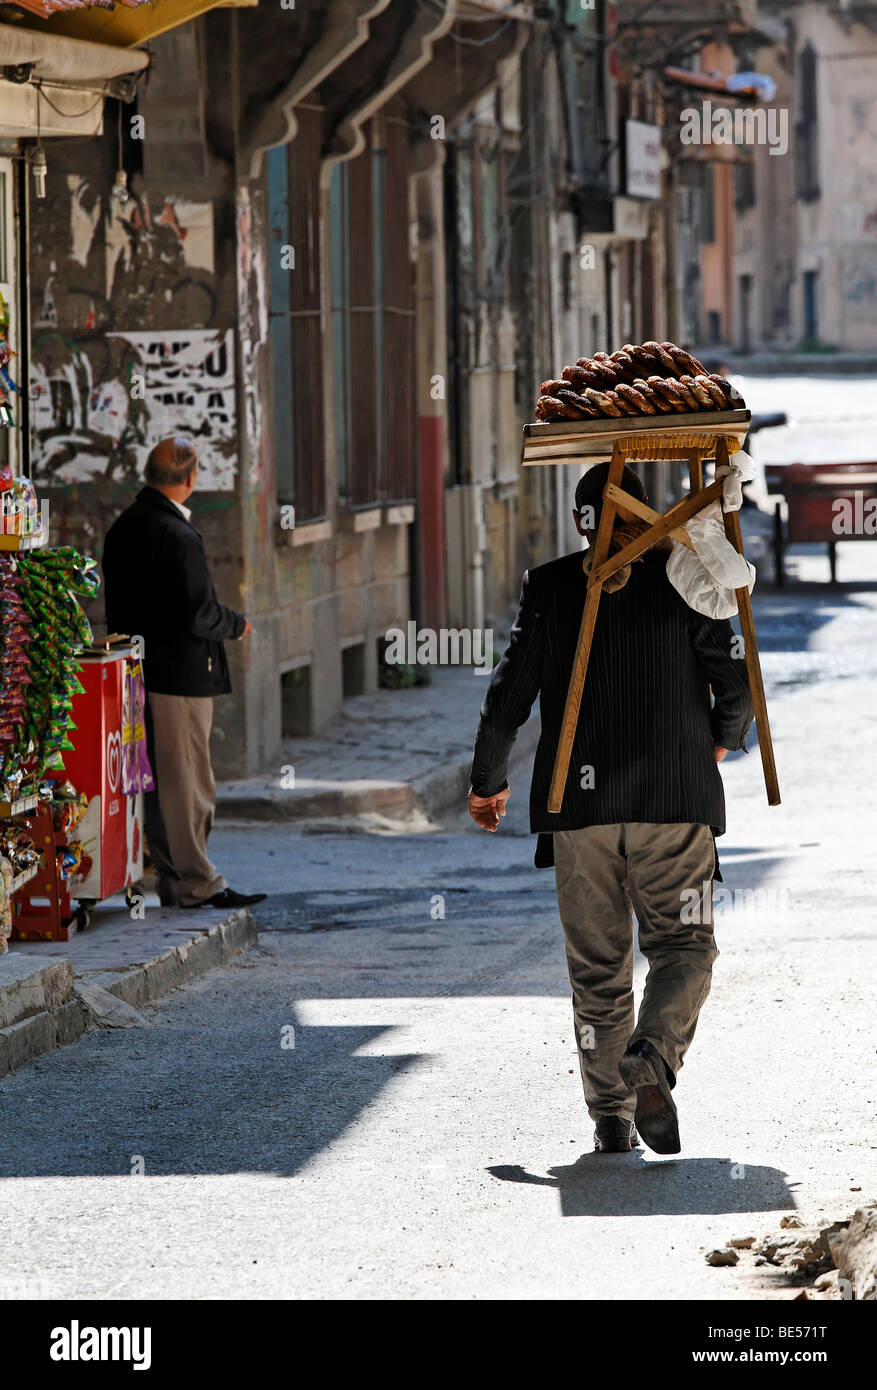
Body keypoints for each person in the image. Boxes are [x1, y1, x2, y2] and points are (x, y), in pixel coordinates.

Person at [467, 462, 754, 1155]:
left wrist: (486, 781)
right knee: (683, 946)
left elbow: (507, 697)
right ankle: (651, 1057)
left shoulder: (550, 585)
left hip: (578, 814)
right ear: (648, 514)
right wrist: (722, 741)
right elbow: (735, 682)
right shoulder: (687, 576)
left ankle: (609, 1117)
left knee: (597, 967)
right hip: (673, 804)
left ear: (579, 521)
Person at [102, 437, 266, 911]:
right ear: (191, 478)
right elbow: (197, 612)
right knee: (187, 782)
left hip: (140, 673)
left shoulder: (125, 526)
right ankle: (198, 883)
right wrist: (237, 624)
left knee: (161, 781)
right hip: (178, 677)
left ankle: (177, 881)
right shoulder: (177, 534)